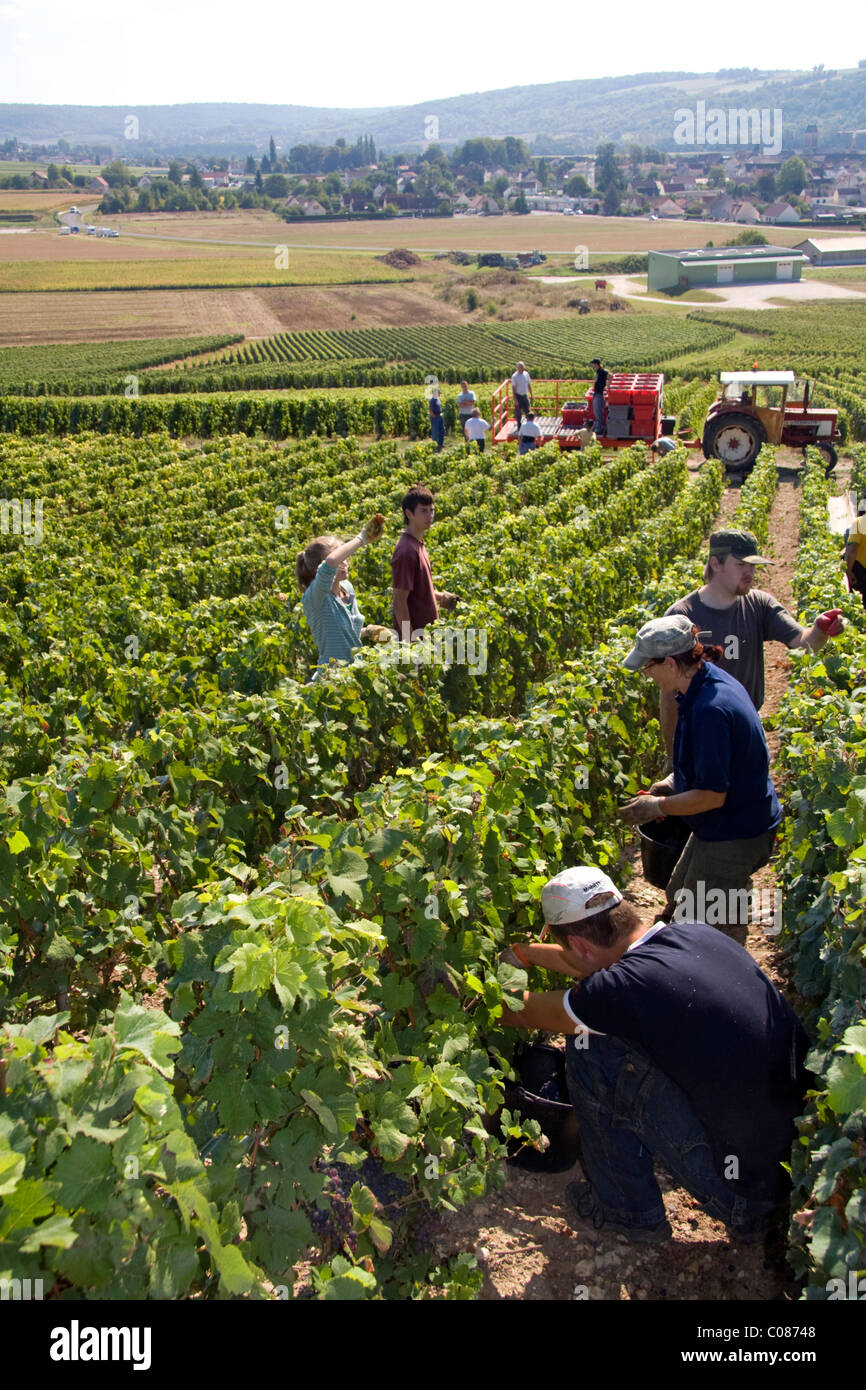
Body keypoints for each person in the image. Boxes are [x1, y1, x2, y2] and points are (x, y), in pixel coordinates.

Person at [499, 866, 809, 1245]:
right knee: (615, 1037)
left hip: (744, 1193)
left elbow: (523, 1012)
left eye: (567, 946)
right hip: (789, 1163)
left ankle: (626, 1213)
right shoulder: (691, 933)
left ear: (579, 944)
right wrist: (523, 954)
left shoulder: (621, 989)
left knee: (590, 1050)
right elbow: (590, 958)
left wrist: (468, 991)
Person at [619, 615, 781, 944]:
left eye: (648, 667)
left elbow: (711, 796)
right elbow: (717, 765)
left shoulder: (710, 710)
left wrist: (657, 806)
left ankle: (727, 973)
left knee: (708, 923)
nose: (647, 675)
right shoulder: (705, 683)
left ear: (668, 663)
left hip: (737, 829)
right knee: (680, 893)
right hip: (727, 818)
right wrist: (673, 784)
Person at [660, 528, 844, 759]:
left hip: (746, 729)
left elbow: (802, 644)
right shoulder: (681, 617)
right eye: (741, 565)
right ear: (716, 564)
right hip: (699, 736)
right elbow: (668, 693)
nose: (750, 572)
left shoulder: (759, 604)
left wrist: (820, 630)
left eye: (753, 566)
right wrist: (674, 755)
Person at [296, 515, 384, 676]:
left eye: (345, 558)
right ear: (319, 569)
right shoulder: (316, 597)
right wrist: (362, 538)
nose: (344, 563)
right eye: (340, 558)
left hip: (356, 669)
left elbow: (346, 629)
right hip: (332, 675)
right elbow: (330, 562)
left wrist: (367, 632)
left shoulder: (347, 589)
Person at [391, 484, 457, 640]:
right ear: (409, 513)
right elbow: (399, 602)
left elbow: (415, 591)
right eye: (424, 511)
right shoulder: (406, 551)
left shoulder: (417, 543)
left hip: (427, 635)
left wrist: (441, 597)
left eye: (431, 510)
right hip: (417, 641)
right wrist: (411, 642)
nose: (430, 516)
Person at [844, 501, 866, 612]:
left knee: (861, 606)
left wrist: (848, 570)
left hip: (862, 571)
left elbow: (852, 550)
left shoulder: (859, 523)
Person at [511, 361, 533, 432]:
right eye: (521, 367)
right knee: (518, 412)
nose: (523, 368)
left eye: (523, 367)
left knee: (527, 410)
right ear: (518, 368)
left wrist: (531, 394)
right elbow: (513, 389)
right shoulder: (515, 376)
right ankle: (519, 426)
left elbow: (529, 384)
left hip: (525, 395)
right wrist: (515, 399)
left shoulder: (526, 374)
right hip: (518, 395)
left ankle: (529, 425)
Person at [589, 357, 608, 436]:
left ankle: (599, 428)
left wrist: (608, 386)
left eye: (593, 364)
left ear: (596, 364)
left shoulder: (602, 371)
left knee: (598, 412)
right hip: (597, 393)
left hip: (599, 394)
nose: (592, 366)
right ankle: (597, 426)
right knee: (597, 412)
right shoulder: (598, 372)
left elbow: (611, 376)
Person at [428, 386, 445, 452]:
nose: (439, 394)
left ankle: (440, 443)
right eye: (438, 392)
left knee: (441, 430)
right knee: (435, 431)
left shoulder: (438, 399)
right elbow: (431, 410)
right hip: (435, 417)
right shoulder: (432, 400)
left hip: (439, 416)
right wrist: (435, 417)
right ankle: (435, 444)